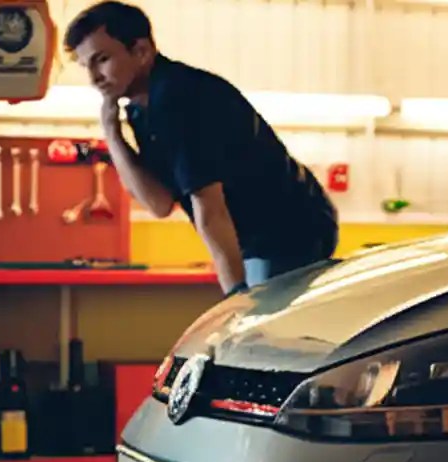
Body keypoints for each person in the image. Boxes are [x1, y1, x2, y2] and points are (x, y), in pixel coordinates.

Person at [64, 2, 340, 296]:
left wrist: (234, 297)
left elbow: (210, 208)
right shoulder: (141, 109)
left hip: (291, 229)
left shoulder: (180, 97)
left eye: (102, 59)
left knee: (260, 329)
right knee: (255, 326)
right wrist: (112, 133)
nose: (94, 78)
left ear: (141, 52)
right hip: (256, 238)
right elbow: (158, 203)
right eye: (86, 66)